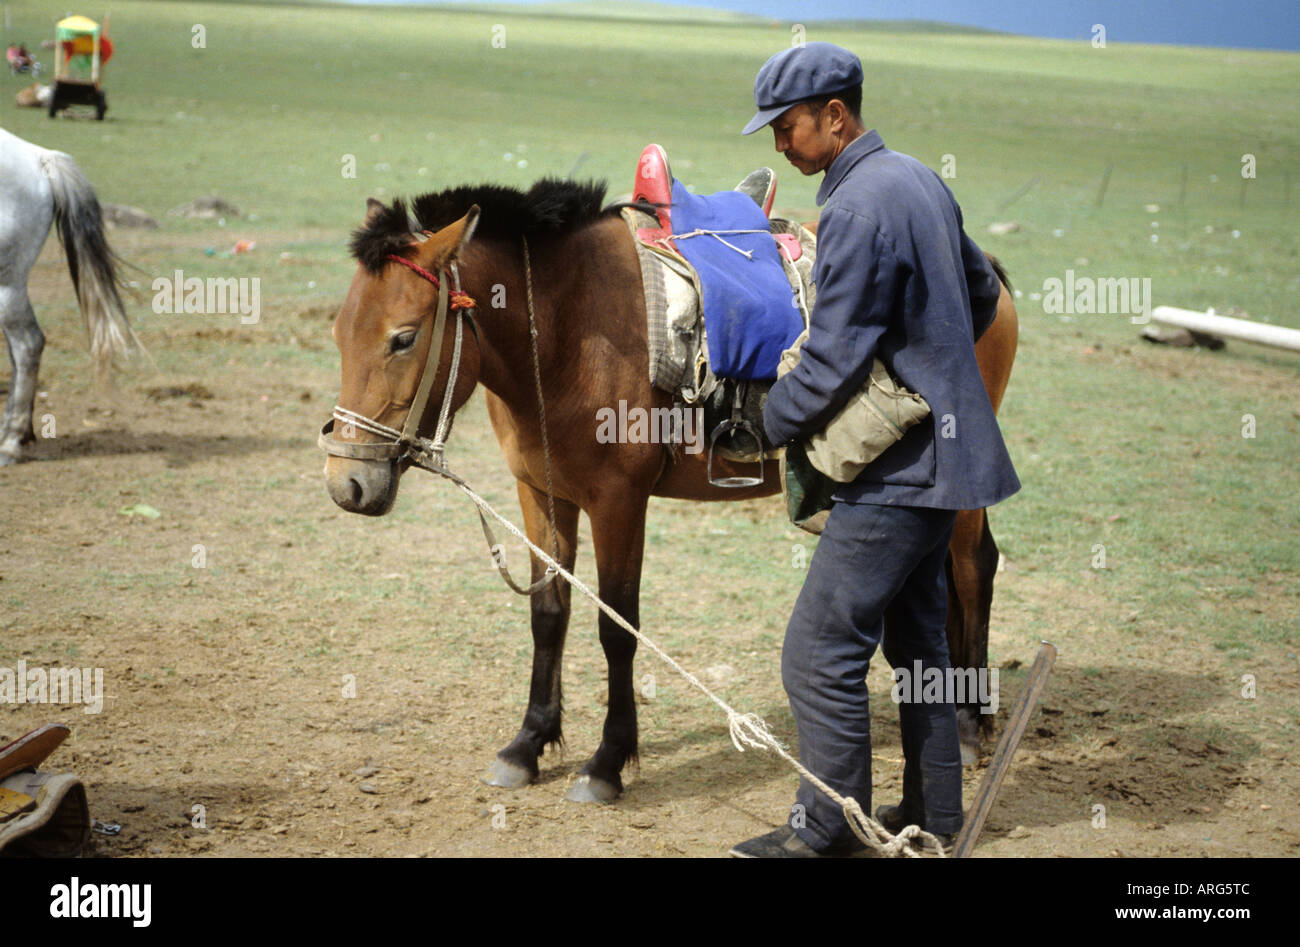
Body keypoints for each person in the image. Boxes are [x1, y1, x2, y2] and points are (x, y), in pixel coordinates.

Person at [729, 42, 1019, 857]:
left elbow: (829, 357)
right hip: (949, 463)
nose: (780, 147)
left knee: (818, 651)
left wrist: (765, 425)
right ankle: (933, 814)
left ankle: (828, 827)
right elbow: (983, 292)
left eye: (787, 129)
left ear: (835, 115)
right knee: (921, 646)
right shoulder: (920, 178)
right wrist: (929, 358)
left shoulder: (854, 208)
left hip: (897, 474)